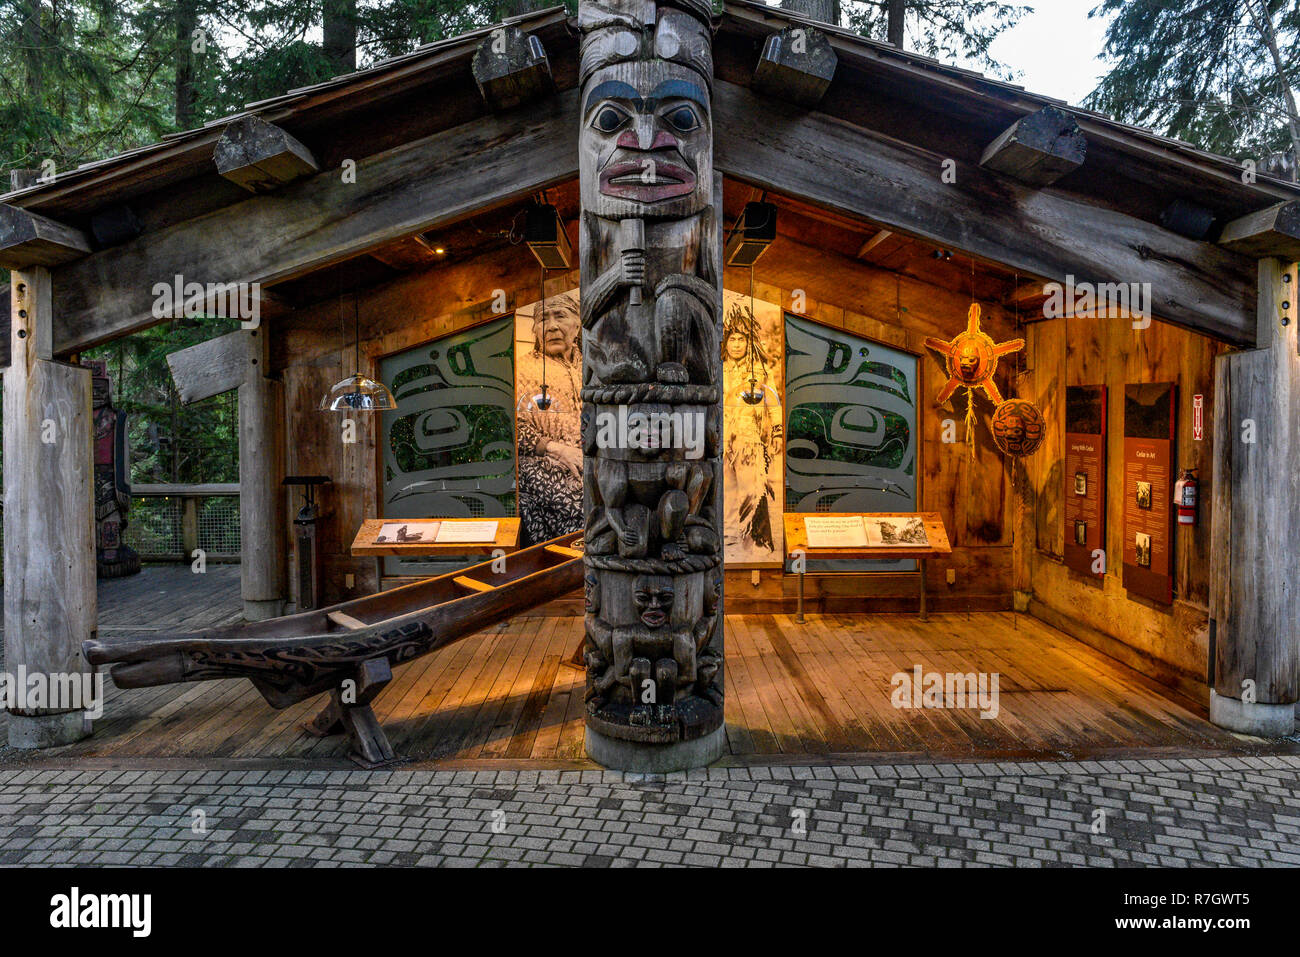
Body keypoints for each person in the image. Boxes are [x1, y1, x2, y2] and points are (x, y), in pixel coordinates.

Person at [516, 292, 584, 546]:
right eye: (544, 318)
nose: (553, 325)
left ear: (577, 324)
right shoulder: (521, 369)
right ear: (535, 329)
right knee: (584, 509)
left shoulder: (594, 368)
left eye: (561, 316)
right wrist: (556, 449)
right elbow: (511, 427)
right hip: (541, 462)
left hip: (594, 460)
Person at [720, 299, 782, 561]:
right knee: (724, 491)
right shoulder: (717, 370)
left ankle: (753, 543)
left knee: (751, 490)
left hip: (749, 440)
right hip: (721, 439)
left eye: (741, 339)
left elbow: (773, 402)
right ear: (726, 341)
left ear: (749, 342)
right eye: (732, 339)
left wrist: (777, 431)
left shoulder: (760, 371)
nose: (736, 344)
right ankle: (725, 542)